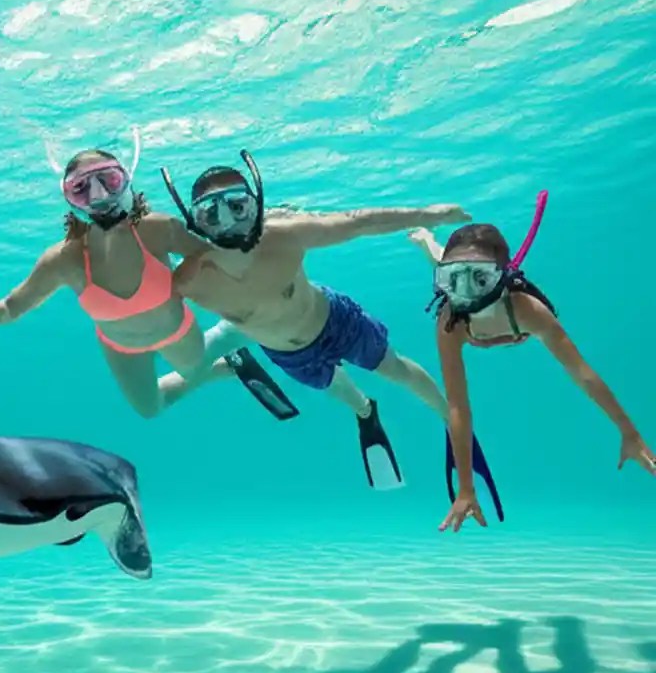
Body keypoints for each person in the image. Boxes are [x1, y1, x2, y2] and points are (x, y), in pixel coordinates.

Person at [161, 150, 469, 489]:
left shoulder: (284, 234)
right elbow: (140, 312)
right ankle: (366, 411)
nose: (229, 222)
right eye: (211, 213)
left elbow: (358, 222)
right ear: (195, 222)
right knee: (344, 394)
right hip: (290, 354)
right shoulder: (188, 278)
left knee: (393, 368)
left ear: (256, 204)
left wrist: (430, 215)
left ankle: (449, 417)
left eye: (237, 206)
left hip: (336, 321)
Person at [0, 144, 297, 420]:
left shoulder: (159, 229)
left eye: (108, 180)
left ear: (127, 182)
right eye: (82, 187)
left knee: (193, 367)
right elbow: (10, 307)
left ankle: (226, 341)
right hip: (121, 347)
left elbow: (219, 255)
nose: (98, 194)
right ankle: (225, 366)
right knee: (150, 409)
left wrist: (267, 233)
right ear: (69, 199)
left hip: (175, 331)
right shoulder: (63, 259)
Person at [409, 195, 656, 533]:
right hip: (469, 291)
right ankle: (428, 242)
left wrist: (629, 432)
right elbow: (458, 408)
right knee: (436, 257)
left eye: (480, 280)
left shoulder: (526, 310)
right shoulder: (452, 321)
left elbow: (583, 374)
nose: (464, 292)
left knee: (455, 263)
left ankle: (439, 253)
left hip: (508, 306)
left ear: (502, 276)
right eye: (452, 280)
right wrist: (465, 488)